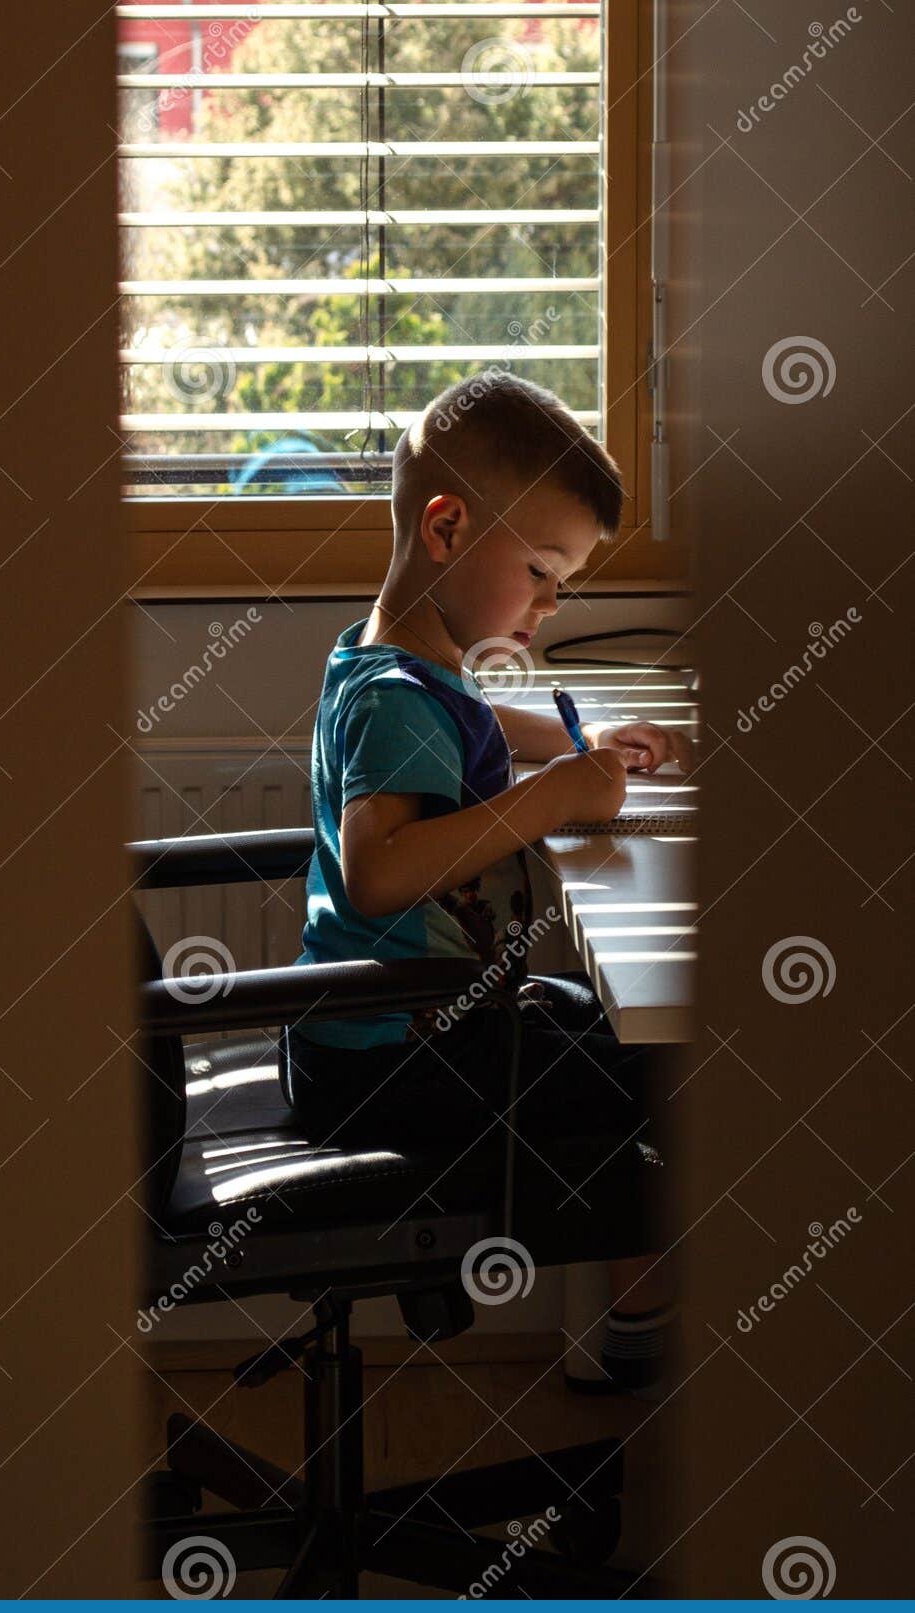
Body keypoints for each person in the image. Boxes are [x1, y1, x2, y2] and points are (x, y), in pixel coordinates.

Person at [282, 369, 695, 1392]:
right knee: (659, 1076)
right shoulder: (392, 697)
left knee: (603, 1019)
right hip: (392, 1058)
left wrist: (585, 740)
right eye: (541, 570)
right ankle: (642, 1324)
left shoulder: (397, 664)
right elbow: (379, 874)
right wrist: (550, 798)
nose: (550, 603)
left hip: (394, 1030)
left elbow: (469, 721)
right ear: (446, 528)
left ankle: (639, 1307)